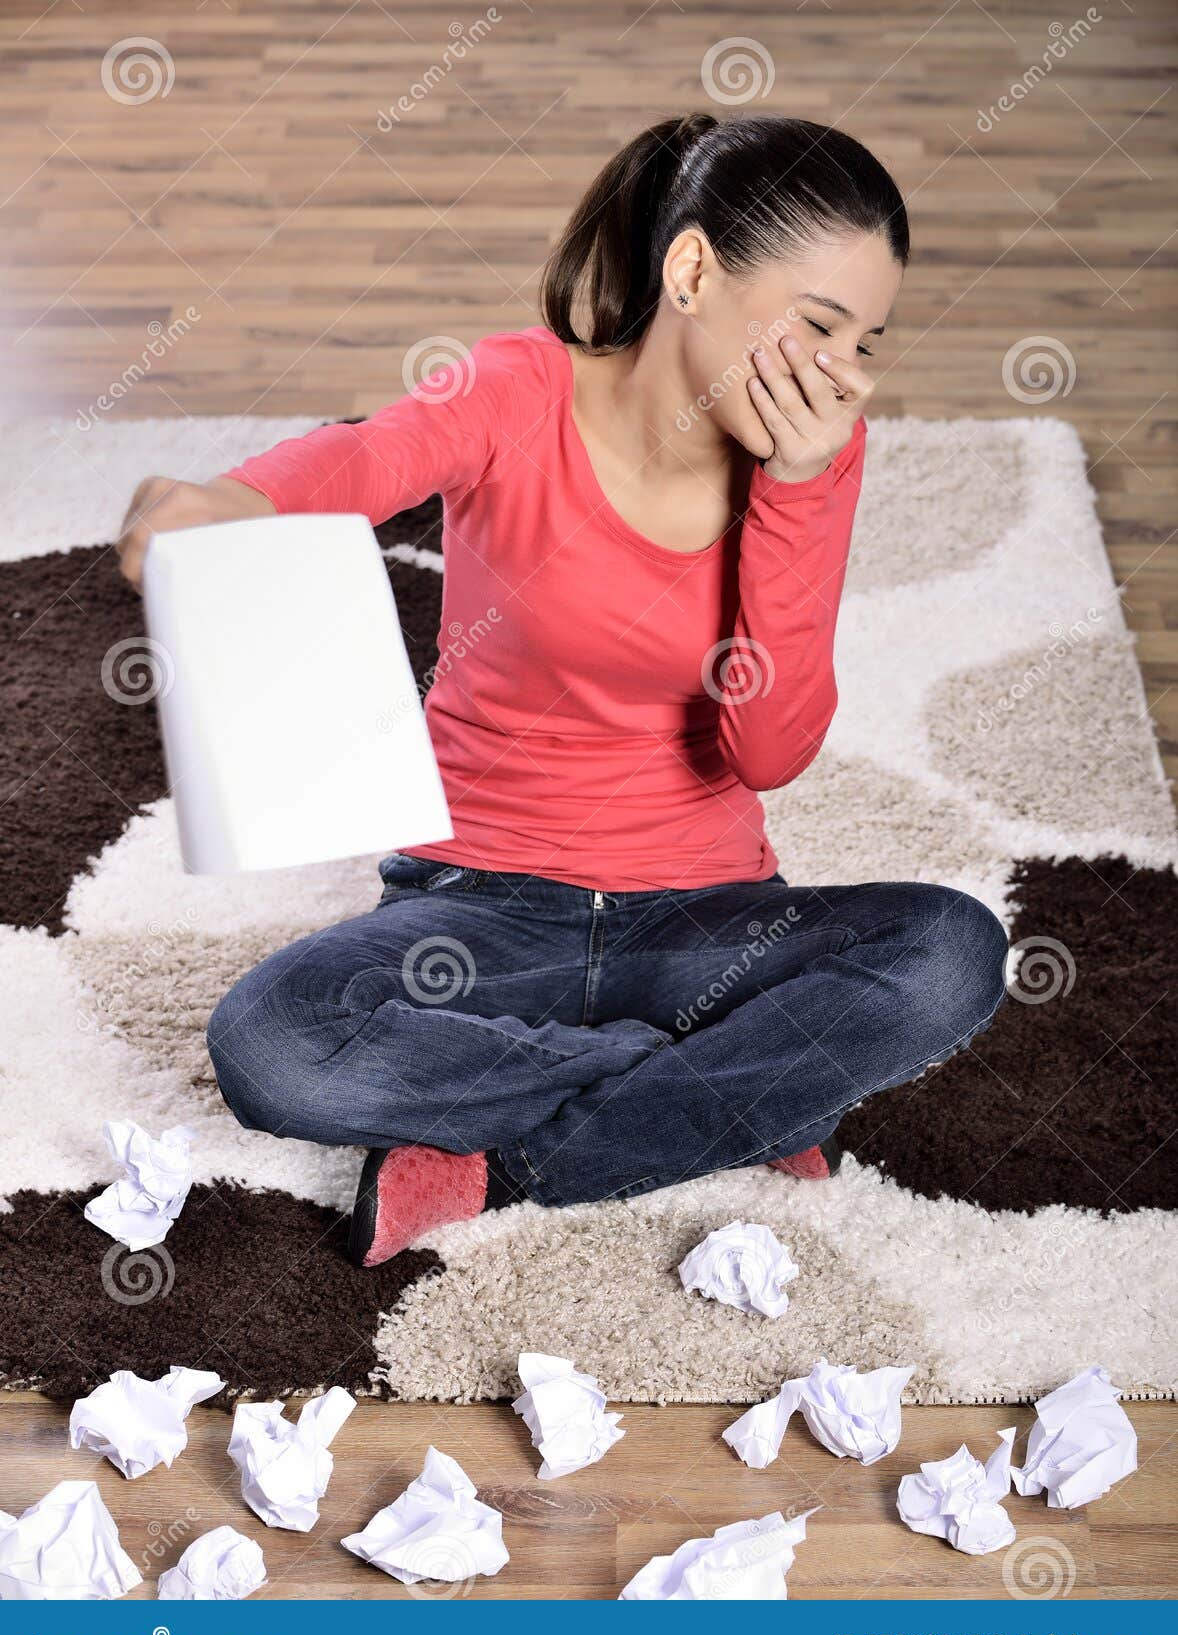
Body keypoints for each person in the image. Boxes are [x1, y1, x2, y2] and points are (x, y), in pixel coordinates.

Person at [117, 113, 1008, 1268]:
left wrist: (792, 494)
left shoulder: (816, 457)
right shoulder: (517, 389)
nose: (837, 374)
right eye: (815, 326)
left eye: (865, 345)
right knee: (271, 1044)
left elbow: (767, 749)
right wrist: (233, 505)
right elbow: (363, 458)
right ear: (690, 269)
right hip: (481, 907)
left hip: (703, 924)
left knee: (951, 949)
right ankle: (732, 1098)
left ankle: (503, 1157)